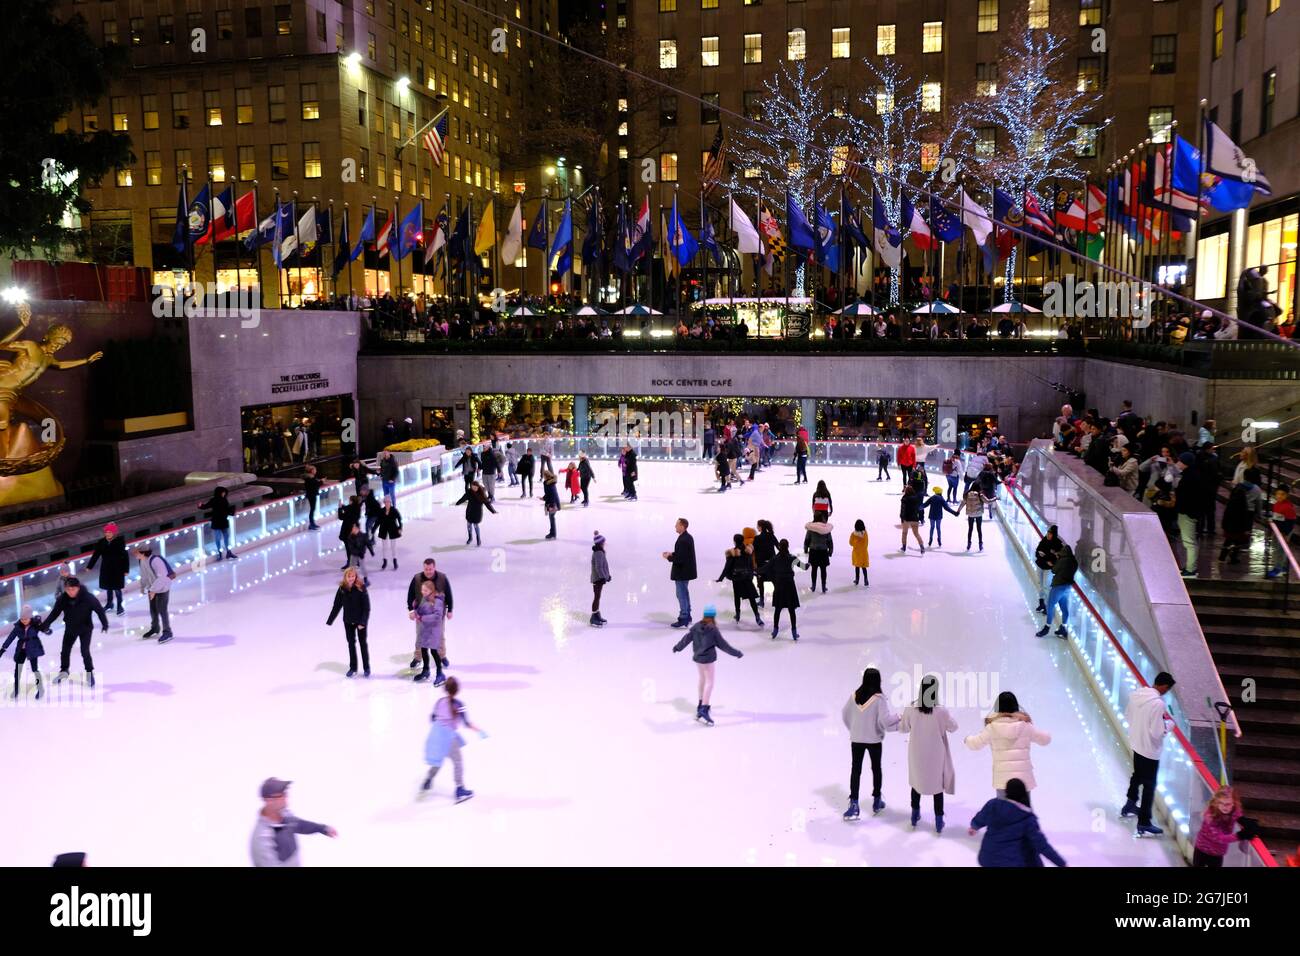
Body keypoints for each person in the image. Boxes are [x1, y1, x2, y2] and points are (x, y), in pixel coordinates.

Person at [899, 675, 959, 832]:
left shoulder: (911, 708)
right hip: (936, 755)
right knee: (937, 786)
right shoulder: (941, 711)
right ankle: (939, 821)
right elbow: (954, 727)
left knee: (916, 783)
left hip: (916, 753)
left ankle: (914, 815)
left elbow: (903, 728)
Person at [964, 691, 1052, 798]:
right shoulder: (1025, 726)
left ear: (998, 707)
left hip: (1003, 781)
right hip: (1023, 781)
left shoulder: (992, 727)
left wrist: (967, 739)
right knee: (1023, 808)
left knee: (1003, 807)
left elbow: (976, 744)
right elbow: (1045, 740)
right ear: (1016, 706)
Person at [1121, 671, 1177, 837]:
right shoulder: (1158, 704)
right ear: (1164, 686)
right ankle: (1144, 822)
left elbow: (1128, 716)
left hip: (1136, 743)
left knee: (1137, 775)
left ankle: (1130, 804)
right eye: (1167, 689)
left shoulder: (1137, 694)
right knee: (1149, 785)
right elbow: (1157, 732)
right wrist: (1169, 725)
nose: (1166, 692)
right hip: (1150, 750)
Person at [968, 778, 1067, 868]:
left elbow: (981, 817)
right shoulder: (1027, 819)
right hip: (1010, 863)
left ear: (1006, 791)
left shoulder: (993, 805)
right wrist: (1062, 863)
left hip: (988, 859)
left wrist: (974, 827)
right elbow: (1042, 845)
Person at [840, 667, 899, 819]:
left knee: (856, 770)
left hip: (856, 739)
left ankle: (854, 803)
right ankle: (877, 800)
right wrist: (899, 716)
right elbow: (886, 721)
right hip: (874, 740)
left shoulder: (854, 696)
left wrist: (854, 729)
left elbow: (845, 714)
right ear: (878, 681)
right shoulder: (879, 699)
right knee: (876, 769)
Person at [672, 605, 743, 726]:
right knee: (710, 682)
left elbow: (686, 639)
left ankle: (701, 703)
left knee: (702, 679)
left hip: (698, 659)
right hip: (708, 660)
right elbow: (724, 645)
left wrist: (677, 647)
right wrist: (736, 653)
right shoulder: (713, 630)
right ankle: (704, 708)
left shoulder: (696, 627)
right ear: (713, 616)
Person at [421, 676, 487, 801]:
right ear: (457, 690)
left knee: (438, 760)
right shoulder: (459, 705)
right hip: (449, 738)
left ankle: (428, 780)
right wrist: (480, 731)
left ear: (445, 689)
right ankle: (459, 788)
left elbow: (432, 718)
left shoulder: (439, 702)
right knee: (458, 762)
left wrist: (439, 729)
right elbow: (466, 723)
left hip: (436, 735)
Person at [250, 778, 336, 867]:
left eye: (285, 794)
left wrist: (322, 828)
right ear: (269, 801)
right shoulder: (262, 837)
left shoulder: (284, 816)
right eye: (281, 795)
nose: (285, 798)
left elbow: (299, 825)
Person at [43, 576, 109, 687]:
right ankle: (64, 671)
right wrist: (46, 624)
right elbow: (54, 613)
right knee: (65, 651)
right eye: (68, 589)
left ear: (78, 588)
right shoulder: (63, 599)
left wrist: (104, 624)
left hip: (85, 629)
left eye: (73, 589)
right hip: (70, 628)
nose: (70, 592)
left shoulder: (88, 598)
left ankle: (89, 673)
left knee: (84, 651)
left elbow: (99, 610)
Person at [407, 559, 453, 671]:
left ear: (434, 567)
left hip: (437, 615)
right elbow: (410, 594)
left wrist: (450, 610)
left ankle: (442, 656)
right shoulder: (417, 578)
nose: (428, 571)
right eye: (426, 569)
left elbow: (448, 594)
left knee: (439, 635)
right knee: (420, 635)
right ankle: (418, 657)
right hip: (421, 614)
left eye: (430, 569)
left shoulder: (442, 578)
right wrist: (411, 610)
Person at [326, 567, 371, 678]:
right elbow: (337, 605)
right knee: (351, 644)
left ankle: (366, 668)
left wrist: (363, 622)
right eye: (349, 576)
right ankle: (353, 668)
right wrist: (330, 620)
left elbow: (366, 607)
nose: (351, 578)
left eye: (353, 576)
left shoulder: (361, 587)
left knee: (362, 644)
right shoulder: (342, 589)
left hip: (360, 621)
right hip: (348, 621)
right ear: (345, 577)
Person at [759, 538, 805, 641]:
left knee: (778, 609)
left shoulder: (774, 559)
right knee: (791, 610)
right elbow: (804, 567)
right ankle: (794, 632)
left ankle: (775, 630)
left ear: (779, 547)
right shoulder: (792, 558)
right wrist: (809, 564)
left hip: (779, 585)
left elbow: (765, 568)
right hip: (789, 586)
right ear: (788, 546)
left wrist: (755, 570)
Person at [1193, 786, 1248, 867]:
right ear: (1216, 802)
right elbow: (1219, 838)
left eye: (1227, 804)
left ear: (1233, 803)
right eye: (1221, 803)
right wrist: (1240, 836)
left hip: (1218, 853)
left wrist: (1247, 825)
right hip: (1202, 850)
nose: (1224, 807)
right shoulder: (1210, 815)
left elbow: (1240, 818)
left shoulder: (1234, 811)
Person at [717, 533, 762, 626]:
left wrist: (720, 578)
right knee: (751, 598)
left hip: (737, 579)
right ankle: (757, 616)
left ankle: (737, 615)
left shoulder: (732, 553)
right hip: (747, 578)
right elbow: (751, 565)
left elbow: (727, 567)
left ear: (735, 541)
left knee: (737, 597)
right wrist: (752, 575)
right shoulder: (748, 551)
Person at [1, 605, 45, 700]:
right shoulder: (18, 627)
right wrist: (3, 648)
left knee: (35, 669)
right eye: (22, 619)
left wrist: (46, 628)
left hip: (33, 648)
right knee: (17, 670)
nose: (24, 621)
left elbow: (45, 629)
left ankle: (40, 688)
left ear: (30, 617)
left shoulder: (35, 625)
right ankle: (16, 689)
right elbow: (11, 637)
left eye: (26, 619)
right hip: (21, 650)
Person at [1035, 541, 1077, 639]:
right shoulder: (1074, 561)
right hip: (1067, 587)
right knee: (1064, 608)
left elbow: (1054, 570)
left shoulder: (1062, 560)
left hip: (1058, 586)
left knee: (1050, 606)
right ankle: (1063, 628)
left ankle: (1047, 627)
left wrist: (1057, 560)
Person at [134, 545, 175, 644]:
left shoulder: (156, 561)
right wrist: (143, 586)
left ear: (143, 553)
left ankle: (167, 632)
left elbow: (162, 577)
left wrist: (153, 590)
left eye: (137, 552)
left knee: (162, 610)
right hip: (152, 587)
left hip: (162, 588)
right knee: (153, 610)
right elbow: (144, 575)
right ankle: (155, 628)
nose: (135, 554)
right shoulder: (142, 561)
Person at [85, 522, 129, 616]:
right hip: (106, 569)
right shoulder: (101, 542)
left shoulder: (119, 542)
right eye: (106, 532)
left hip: (117, 569)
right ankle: (109, 604)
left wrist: (126, 570)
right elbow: (96, 555)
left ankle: (120, 606)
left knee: (117, 589)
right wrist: (89, 566)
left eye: (109, 532)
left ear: (114, 533)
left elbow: (125, 556)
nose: (107, 534)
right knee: (108, 588)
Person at [1173, 452, 1203, 578]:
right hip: (1189, 512)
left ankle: (1191, 569)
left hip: (1188, 513)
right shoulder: (1192, 474)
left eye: (1179, 461)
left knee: (1189, 542)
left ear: (1185, 463)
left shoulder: (1189, 477)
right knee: (1189, 541)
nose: (1177, 463)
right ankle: (1189, 567)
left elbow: (1185, 495)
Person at [413, 579, 449, 685]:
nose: (423, 592)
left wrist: (422, 618)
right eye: (422, 590)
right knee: (424, 649)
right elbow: (419, 612)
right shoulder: (424, 599)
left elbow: (437, 617)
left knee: (434, 651)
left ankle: (440, 673)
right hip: (425, 629)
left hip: (434, 631)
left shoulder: (438, 602)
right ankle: (426, 670)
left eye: (425, 590)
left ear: (431, 590)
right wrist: (415, 608)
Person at [663, 517, 697, 627]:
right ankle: (687, 615)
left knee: (681, 595)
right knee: (684, 594)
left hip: (682, 572)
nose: (675, 526)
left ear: (682, 526)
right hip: (685, 571)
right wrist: (672, 554)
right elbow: (682, 554)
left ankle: (684, 617)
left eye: (677, 525)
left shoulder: (683, 540)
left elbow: (680, 558)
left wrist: (669, 557)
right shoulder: (687, 537)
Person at [1264, 483, 1296, 579]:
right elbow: (1276, 518)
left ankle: (1277, 569)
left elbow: (1291, 523)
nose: (1279, 496)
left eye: (1282, 494)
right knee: (1278, 548)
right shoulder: (1276, 505)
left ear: (1287, 495)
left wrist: (1285, 534)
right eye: (1278, 494)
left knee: (1280, 550)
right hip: (1277, 531)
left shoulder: (1288, 508)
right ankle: (1284, 567)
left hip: (1284, 532)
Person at [199, 486, 238, 560]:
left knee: (222, 537)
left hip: (219, 521)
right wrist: (232, 511)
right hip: (220, 521)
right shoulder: (220, 500)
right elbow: (226, 509)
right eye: (223, 492)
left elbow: (206, 506)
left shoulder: (220, 500)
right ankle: (224, 552)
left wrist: (201, 506)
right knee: (222, 537)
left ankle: (224, 553)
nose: (224, 494)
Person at [454, 480, 496, 547]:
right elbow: (463, 498)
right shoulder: (469, 492)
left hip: (477, 512)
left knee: (476, 526)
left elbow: (487, 503)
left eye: (475, 487)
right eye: (472, 487)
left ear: (478, 487)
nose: (474, 489)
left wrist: (492, 510)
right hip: (469, 511)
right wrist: (458, 503)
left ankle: (478, 539)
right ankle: (470, 537)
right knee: (469, 525)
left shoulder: (482, 494)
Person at [1033, 526, 1064, 615]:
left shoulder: (1058, 545)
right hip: (1040, 565)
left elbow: (1057, 558)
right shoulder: (1044, 541)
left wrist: (1046, 557)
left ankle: (1048, 606)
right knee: (1041, 585)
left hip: (1049, 568)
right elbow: (1037, 553)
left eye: (1050, 534)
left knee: (1046, 586)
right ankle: (1041, 604)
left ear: (1054, 534)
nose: (1048, 535)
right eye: (1048, 533)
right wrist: (1047, 559)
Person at [803, 519, 834, 593]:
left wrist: (805, 549)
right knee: (823, 570)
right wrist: (830, 551)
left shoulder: (811, 528)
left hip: (813, 551)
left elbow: (807, 540)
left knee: (814, 569)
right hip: (823, 552)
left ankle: (813, 586)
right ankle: (823, 587)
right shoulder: (826, 529)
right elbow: (830, 541)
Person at [959, 483, 991, 551]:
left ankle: (969, 543)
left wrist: (958, 510)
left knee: (970, 529)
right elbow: (988, 501)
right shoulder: (980, 495)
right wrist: (995, 498)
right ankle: (980, 544)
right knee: (979, 529)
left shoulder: (967, 494)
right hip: (978, 514)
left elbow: (963, 503)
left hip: (970, 514)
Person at [753, 519, 778, 606]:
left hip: (761, 563)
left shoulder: (757, 538)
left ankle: (762, 601)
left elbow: (754, 552)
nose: (757, 527)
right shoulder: (771, 535)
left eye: (757, 526)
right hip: (772, 562)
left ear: (760, 527)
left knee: (761, 582)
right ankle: (778, 600)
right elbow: (778, 546)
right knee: (775, 581)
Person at [376, 495, 403, 568]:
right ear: (384, 503)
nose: (387, 503)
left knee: (393, 546)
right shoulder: (381, 511)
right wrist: (373, 529)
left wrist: (400, 527)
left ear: (390, 502)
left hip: (393, 530)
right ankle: (385, 561)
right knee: (384, 547)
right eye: (386, 502)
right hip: (383, 530)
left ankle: (394, 560)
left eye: (388, 502)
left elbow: (399, 519)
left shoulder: (394, 510)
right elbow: (378, 521)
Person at [590, 532, 611, 627]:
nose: (604, 543)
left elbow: (603, 566)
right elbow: (599, 567)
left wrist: (607, 576)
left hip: (599, 578)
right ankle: (593, 617)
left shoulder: (600, 552)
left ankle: (597, 614)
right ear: (600, 543)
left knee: (598, 597)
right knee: (596, 597)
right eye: (603, 542)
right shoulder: (598, 553)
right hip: (597, 578)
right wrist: (603, 577)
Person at [899, 483, 925, 552]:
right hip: (915, 519)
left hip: (906, 519)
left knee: (904, 533)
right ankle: (922, 546)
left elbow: (903, 509)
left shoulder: (904, 499)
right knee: (916, 534)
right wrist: (920, 517)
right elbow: (919, 508)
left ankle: (904, 547)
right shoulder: (916, 498)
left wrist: (902, 518)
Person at [849, 519, 870, 586]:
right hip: (863, 554)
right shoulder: (865, 534)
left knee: (857, 567)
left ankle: (857, 580)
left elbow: (850, 543)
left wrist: (855, 543)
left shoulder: (853, 534)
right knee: (864, 568)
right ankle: (866, 579)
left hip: (857, 554)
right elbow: (866, 543)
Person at [303, 464, 324, 531]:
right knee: (312, 509)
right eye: (315, 470)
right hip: (311, 494)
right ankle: (311, 524)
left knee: (313, 509)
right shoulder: (310, 478)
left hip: (312, 494)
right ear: (312, 471)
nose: (316, 471)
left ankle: (312, 523)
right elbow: (315, 485)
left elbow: (315, 484)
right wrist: (321, 482)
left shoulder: (311, 478)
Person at [541, 468, 561, 540]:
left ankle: (553, 534)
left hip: (553, 504)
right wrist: (543, 498)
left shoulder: (548, 484)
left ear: (545, 476)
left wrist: (551, 505)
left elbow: (551, 494)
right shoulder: (550, 482)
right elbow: (548, 494)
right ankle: (552, 533)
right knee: (551, 518)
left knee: (552, 518)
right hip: (554, 503)